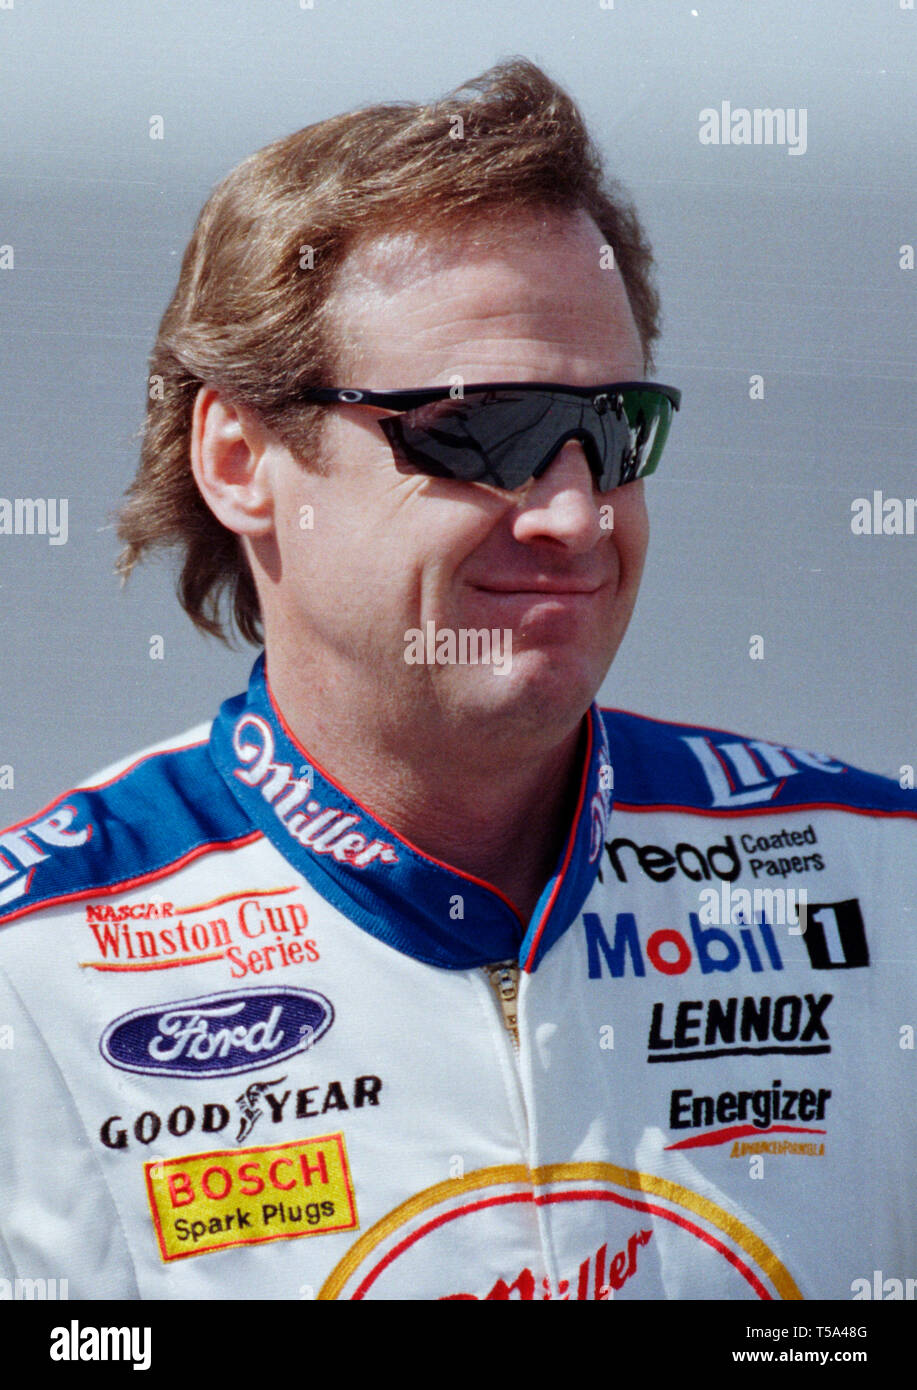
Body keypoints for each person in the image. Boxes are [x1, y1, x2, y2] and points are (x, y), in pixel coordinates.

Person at [0, 58, 913, 1303]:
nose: (574, 514)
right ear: (239, 458)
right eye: (487, 428)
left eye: (615, 430)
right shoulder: (34, 972)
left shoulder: (881, 882)